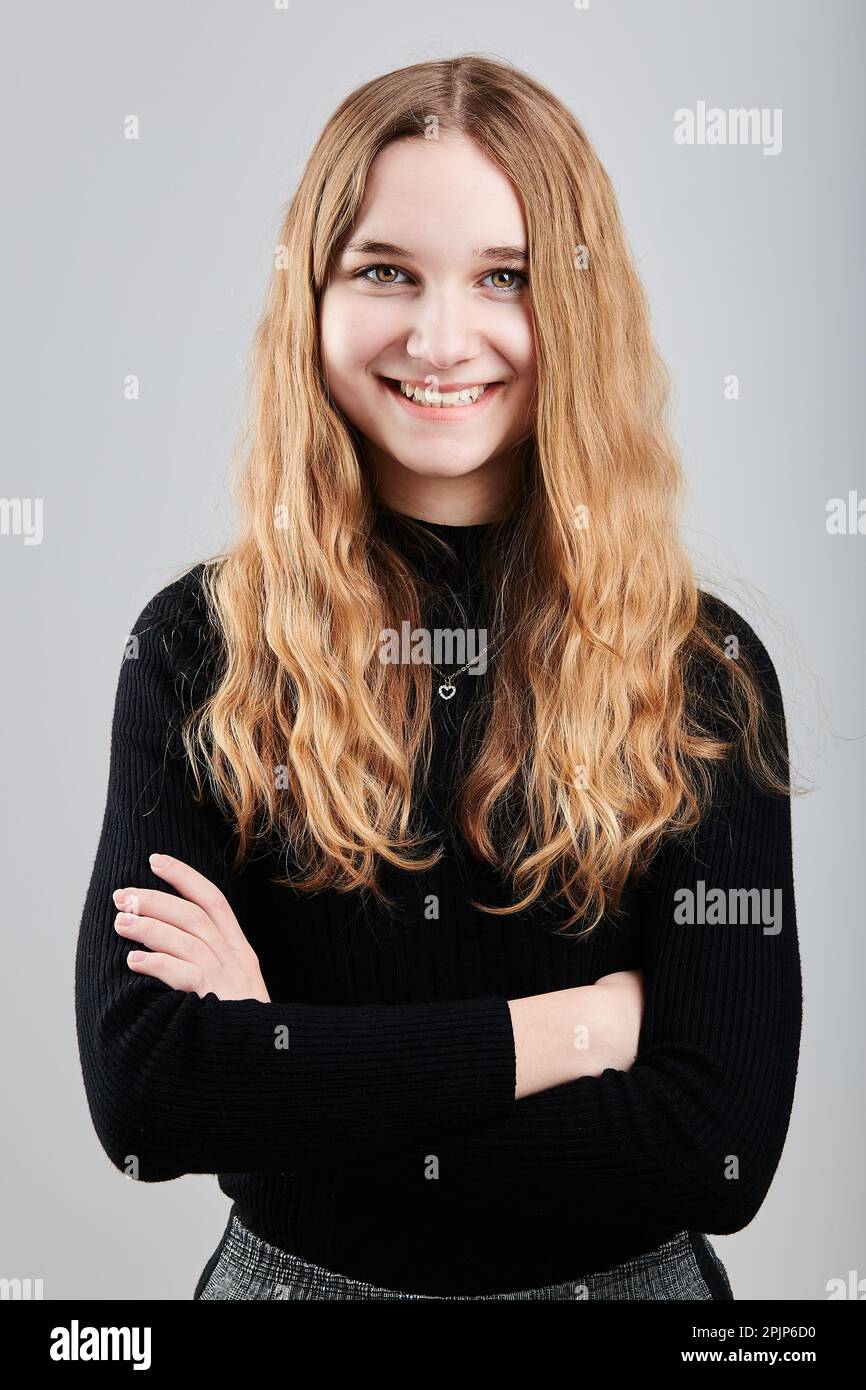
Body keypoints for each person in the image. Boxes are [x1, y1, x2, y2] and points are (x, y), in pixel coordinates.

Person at [74, 54, 803, 1301]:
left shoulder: (701, 669)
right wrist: (578, 1030)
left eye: (504, 278)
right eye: (384, 271)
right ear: (312, 296)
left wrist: (284, 1073)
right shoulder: (198, 647)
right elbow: (152, 1095)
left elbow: (713, 1150)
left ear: (574, 304)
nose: (439, 335)